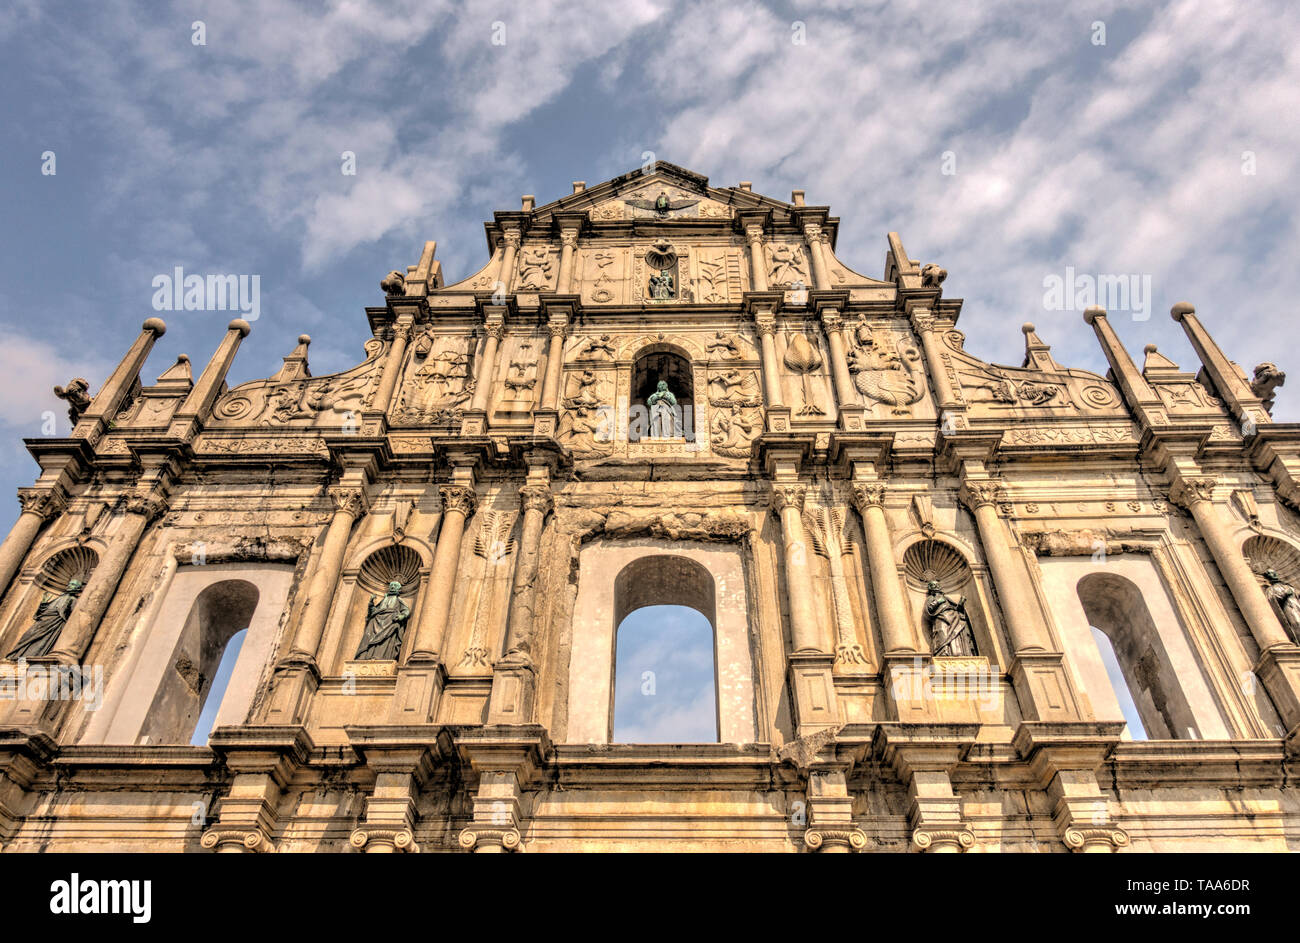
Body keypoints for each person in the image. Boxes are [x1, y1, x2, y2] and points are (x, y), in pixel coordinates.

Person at [354, 580, 411, 661]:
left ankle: (380, 657)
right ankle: (366, 656)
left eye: (395, 586)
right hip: (376, 621)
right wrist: (371, 602)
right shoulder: (384, 600)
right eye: (391, 585)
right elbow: (373, 611)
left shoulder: (399, 600)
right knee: (368, 636)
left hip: (390, 622)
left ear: (399, 589)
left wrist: (402, 616)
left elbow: (406, 610)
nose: (393, 587)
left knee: (386, 639)